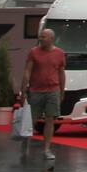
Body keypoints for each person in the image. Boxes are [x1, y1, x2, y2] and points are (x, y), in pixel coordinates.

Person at [20, 28, 67, 161]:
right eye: (40, 36)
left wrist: (62, 91)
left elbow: (61, 73)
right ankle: (25, 142)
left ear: (51, 39)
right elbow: (27, 71)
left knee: (50, 120)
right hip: (36, 91)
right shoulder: (33, 52)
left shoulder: (59, 53)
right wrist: (23, 90)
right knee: (31, 121)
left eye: (44, 37)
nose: (41, 39)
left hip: (53, 90)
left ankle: (47, 149)